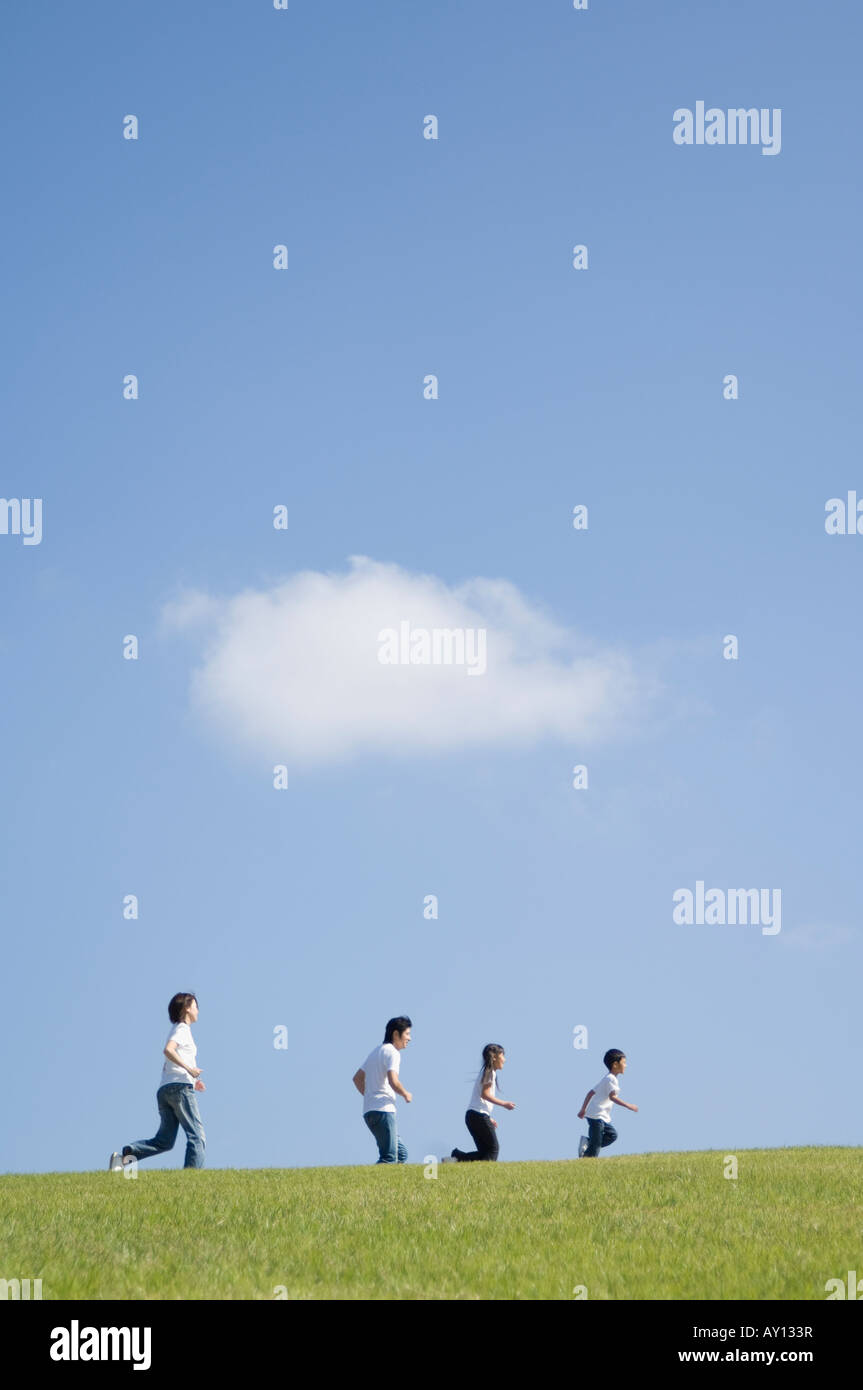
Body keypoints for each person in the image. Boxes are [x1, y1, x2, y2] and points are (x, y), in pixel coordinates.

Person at [109, 992, 206, 1172]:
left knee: (165, 1141)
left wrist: (193, 1079)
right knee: (197, 1136)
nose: (198, 1010)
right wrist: (189, 1070)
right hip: (179, 1089)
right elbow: (168, 1050)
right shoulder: (182, 1029)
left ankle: (128, 1154)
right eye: (196, 1006)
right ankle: (193, 1180)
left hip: (166, 1090)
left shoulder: (177, 1029)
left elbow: (170, 1061)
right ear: (186, 1008)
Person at [352, 1016, 412, 1164]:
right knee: (389, 1158)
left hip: (370, 1112)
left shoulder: (375, 1051)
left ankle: (394, 1186)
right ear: (396, 1034)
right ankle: (367, 1185)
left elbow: (357, 1079)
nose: (410, 1038)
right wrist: (405, 1093)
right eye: (407, 1034)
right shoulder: (393, 1053)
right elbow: (393, 1080)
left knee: (401, 1154)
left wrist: (370, 1096)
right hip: (384, 1110)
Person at [447, 1043, 515, 1162]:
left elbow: (481, 1099)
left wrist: (488, 1117)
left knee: (485, 1154)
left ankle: (454, 1159)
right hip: (478, 1115)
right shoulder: (490, 1072)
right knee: (493, 1150)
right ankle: (458, 1157)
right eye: (503, 1055)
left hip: (474, 1116)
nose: (505, 1059)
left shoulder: (488, 1072)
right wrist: (504, 1104)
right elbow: (485, 1094)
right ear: (494, 1057)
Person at [577, 1048, 637, 1157]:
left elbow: (590, 1093)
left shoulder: (607, 1078)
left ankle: (587, 1143)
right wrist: (628, 1106)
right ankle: (587, 1160)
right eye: (624, 1063)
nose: (626, 1065)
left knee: (612, 1135)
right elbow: (612, 1097)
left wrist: (583, 1109)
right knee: (596, 1146)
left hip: (601, 1117)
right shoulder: (611, 1079)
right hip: (597, 1116)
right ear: (615, 1064)